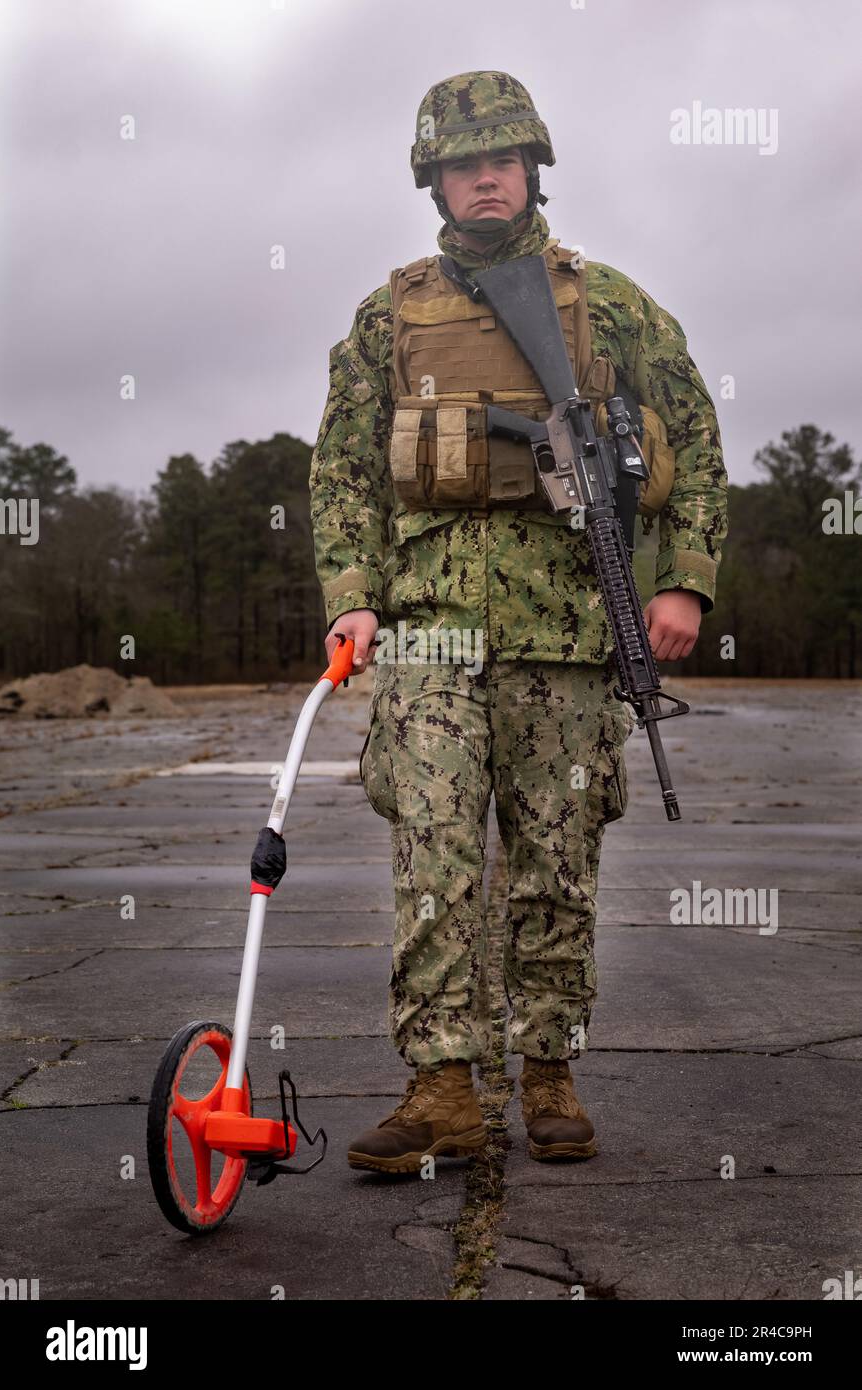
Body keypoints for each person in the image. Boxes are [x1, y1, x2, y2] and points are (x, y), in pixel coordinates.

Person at [308, 71, 728, 1174]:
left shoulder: (612, 304)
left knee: (555, 861)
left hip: (569, 632)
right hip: (430, 630)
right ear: (432, 181)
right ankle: (442, 1084)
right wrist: (350, 597)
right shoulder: (387, 315)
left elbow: (695, 436)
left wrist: (681, 580)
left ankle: (548, 1068)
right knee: (433, 853)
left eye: (500, 160)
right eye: (461, 163)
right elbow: (343, 472)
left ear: (531, 169)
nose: (482, 177)